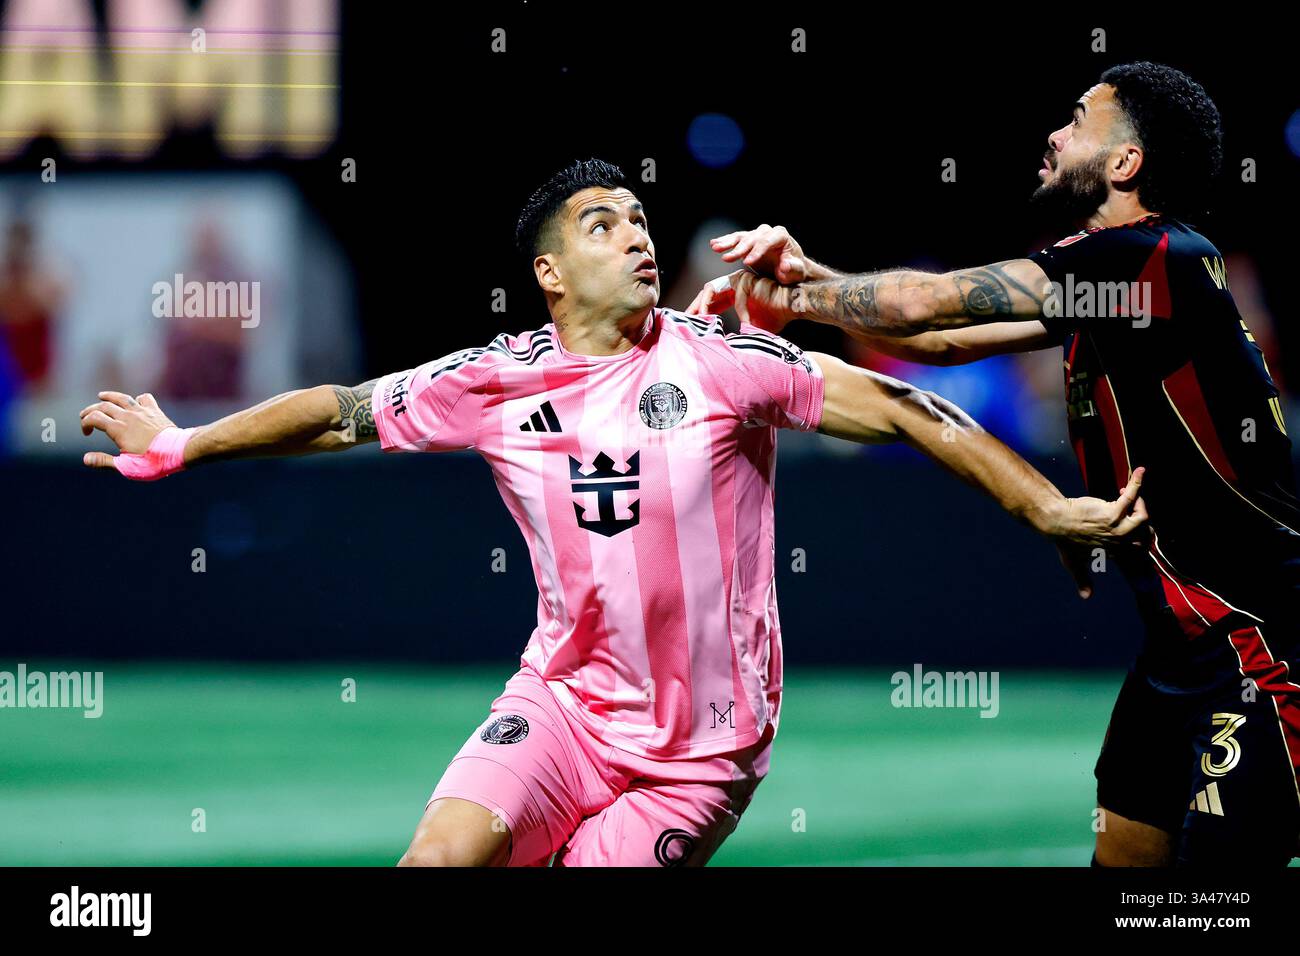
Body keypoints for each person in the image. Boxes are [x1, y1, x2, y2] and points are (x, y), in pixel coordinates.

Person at [81, 159, 1145, 866]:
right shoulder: (499, 377)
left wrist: (1046, 506)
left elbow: (909, 406)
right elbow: (339, 414)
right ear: (549, 272)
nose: (637, 236)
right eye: (603, 224)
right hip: (562, 706)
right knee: (435, 858)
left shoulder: (726, 362)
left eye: (639, 219)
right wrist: (188, 441)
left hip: (698, 755)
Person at [688, 62, 1299, 867]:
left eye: (1079, 120)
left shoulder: (1153, 260)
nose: (1053, 134)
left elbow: (921, 306)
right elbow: (938, 341)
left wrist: (795, 298)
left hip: (1263, 647)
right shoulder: (1122, 285)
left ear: (1125, 163)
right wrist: (806, 280)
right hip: (1178, 655)